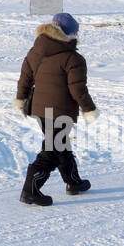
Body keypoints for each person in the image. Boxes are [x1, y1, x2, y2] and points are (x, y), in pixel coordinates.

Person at [13, 12, 98, 206]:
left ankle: (73, 182)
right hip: (60, 110)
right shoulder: (73, 58)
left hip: (40, 110)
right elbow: (78, 89)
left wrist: (20, 99)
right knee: (52, 148)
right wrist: (89, 109)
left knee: (59, 144)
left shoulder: (35, 50)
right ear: (71, 35)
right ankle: (30, 190)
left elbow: (24, 79)